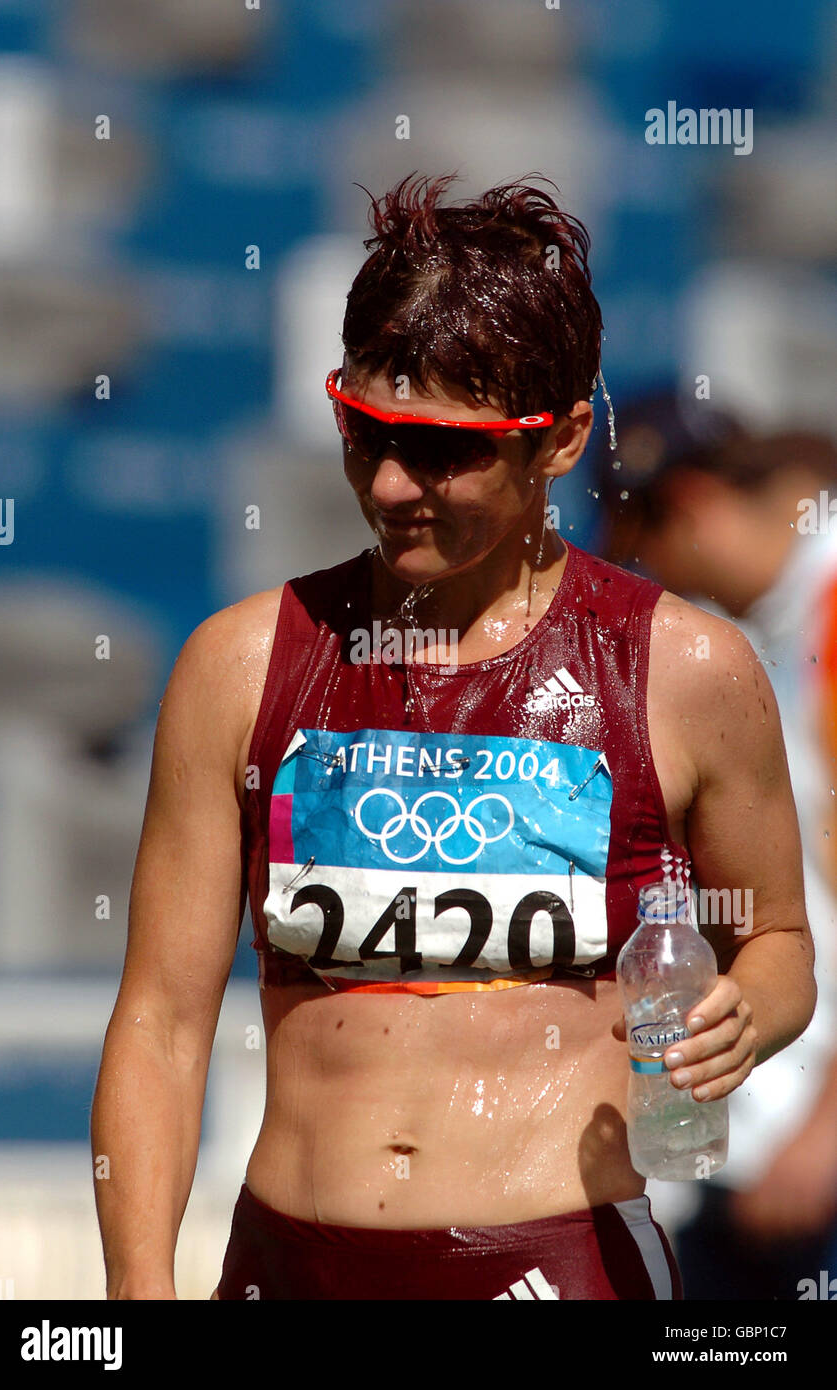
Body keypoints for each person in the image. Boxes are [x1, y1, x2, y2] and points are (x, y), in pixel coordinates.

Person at [91, 173, 816, 1301]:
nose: (388, 484)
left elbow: (777, 940)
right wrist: (136, 1296)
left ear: (563, 439)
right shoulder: (237, 665)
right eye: (364, 432)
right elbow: (160, 1019)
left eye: (439, 451)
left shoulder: (685, 671)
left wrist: (747, 1013)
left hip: (554, 1260)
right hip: (288, 1261)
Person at [596, 398, 837, 1298]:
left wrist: (826, 1129)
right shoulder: (790, 623)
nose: (646, 576)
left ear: (688, 505)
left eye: (639, 543)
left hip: (812, 1157)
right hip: (764, 1145)